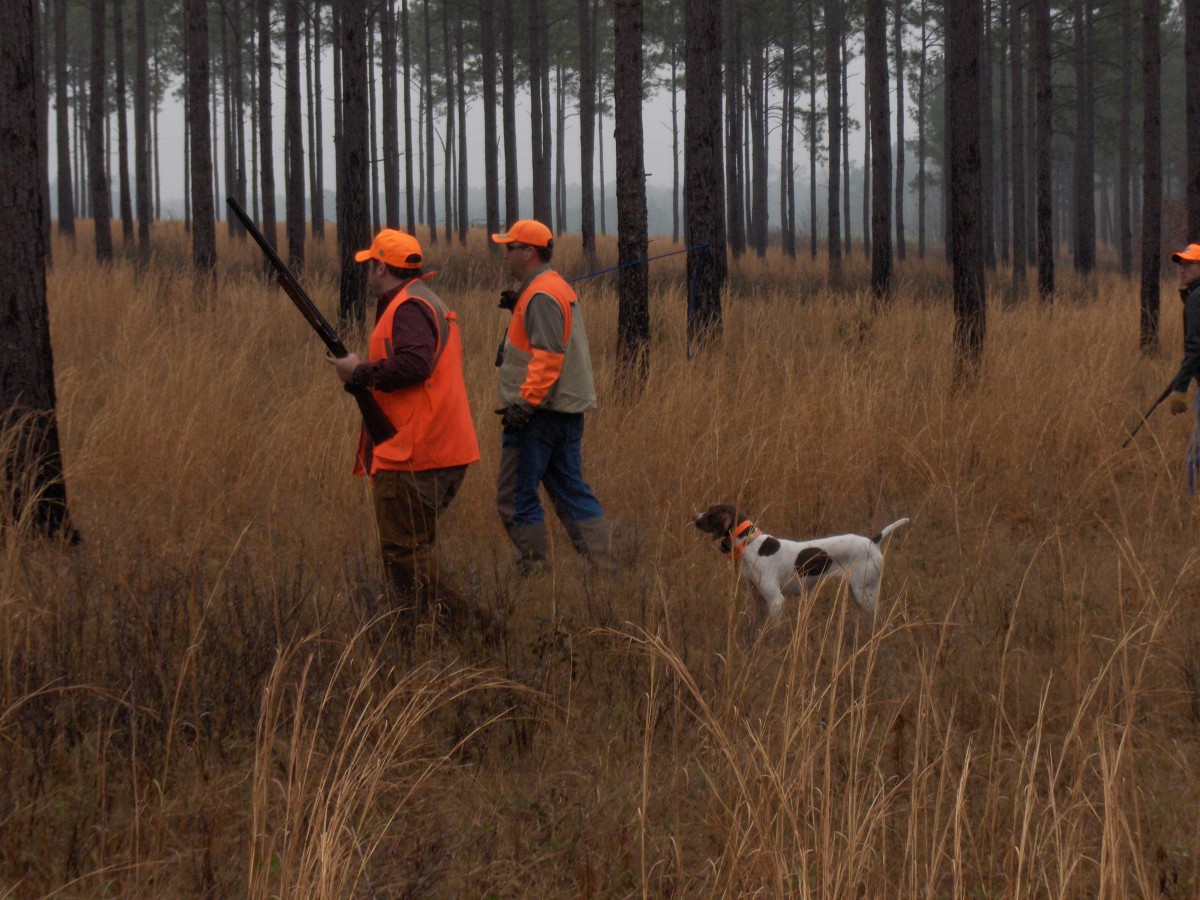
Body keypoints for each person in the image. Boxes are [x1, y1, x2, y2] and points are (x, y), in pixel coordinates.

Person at [327, 228, 492, 631]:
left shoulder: (407, 309)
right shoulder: (420, 301)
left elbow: (415, 365)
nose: (368, 270)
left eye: (371, 263)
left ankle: (481, 629)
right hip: (439, 448)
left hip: (418, 452)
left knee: (404, 553)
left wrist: (358, 372)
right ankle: (416, 633)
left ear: (382, 266)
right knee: (412, 551)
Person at [490, 219, 612, 571]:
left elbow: (547, 358)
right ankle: (606, 566)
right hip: (563, 413)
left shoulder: (542, 295)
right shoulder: (549, 288)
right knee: (571, 493)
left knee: (515, 496)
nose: (505, 256)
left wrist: (524, 406)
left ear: (528, 252)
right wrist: (520, 305)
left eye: (509, 248)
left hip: (537, 414)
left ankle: (534, 568)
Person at [1167, 242, 1200, 492]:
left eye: (1190, 264)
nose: (1183, 269)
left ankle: (1192, 507)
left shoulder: (1197, 299)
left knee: (1195, 456)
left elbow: (1195, 348)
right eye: (1182, 264)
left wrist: (1179, 389)